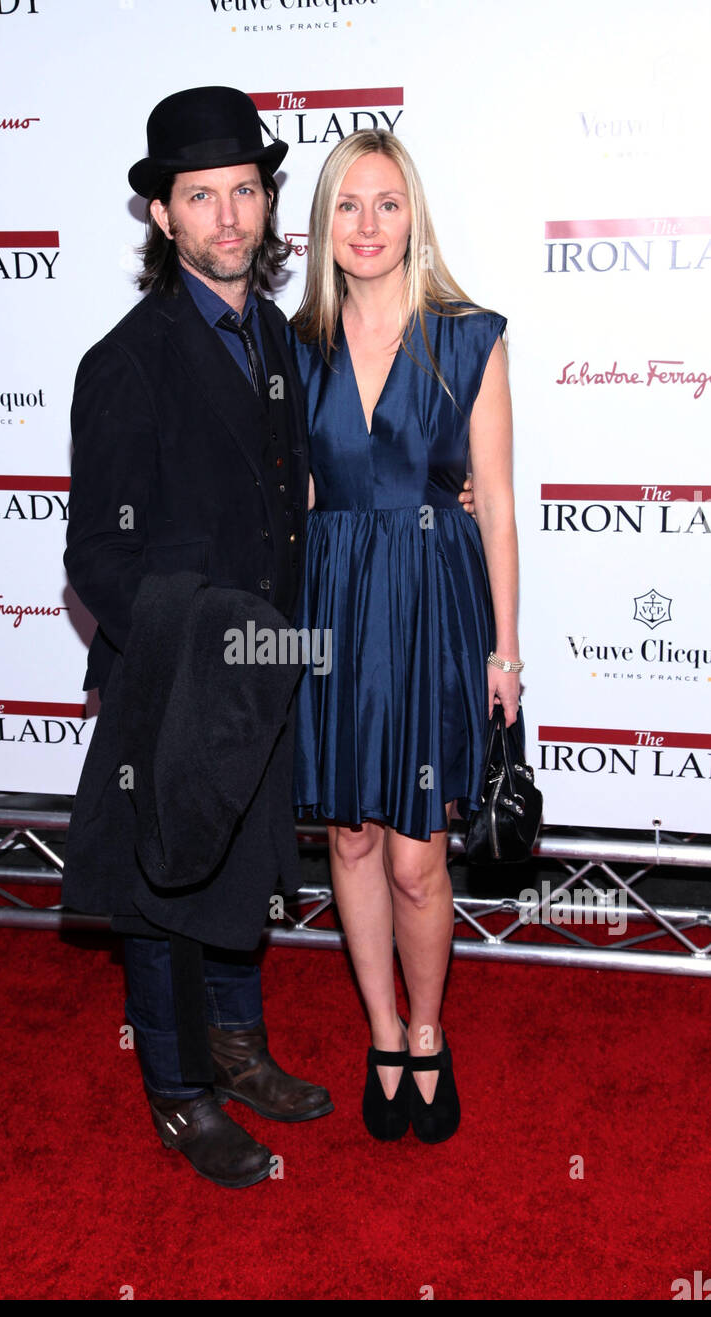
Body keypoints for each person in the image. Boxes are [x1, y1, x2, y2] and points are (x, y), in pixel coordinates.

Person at [61, 87, 334, 1191]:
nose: (226, 214)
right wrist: (202, 646)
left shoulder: (270, 334)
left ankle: (235, 1045)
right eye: (198, 196)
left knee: (242, 864)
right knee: (165, 891)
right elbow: (97, 561)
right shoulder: (124, 363)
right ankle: (177, 1093)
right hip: (175, 678)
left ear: (265, 205)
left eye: (242, 190)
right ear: (162, 218)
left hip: (260, 672)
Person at [289, 130, 522, 1145]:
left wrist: (503, 652)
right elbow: (291, 496)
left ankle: (429, 1028)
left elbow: (499, 503)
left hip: (431, 604)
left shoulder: (466, 336)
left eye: (386, 204)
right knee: (346, 835)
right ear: (323, 225)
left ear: (412, 217)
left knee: (418, 856)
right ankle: (380, 1029)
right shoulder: (292, 344)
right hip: (331, 605)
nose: (368, 225)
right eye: (347, 205)